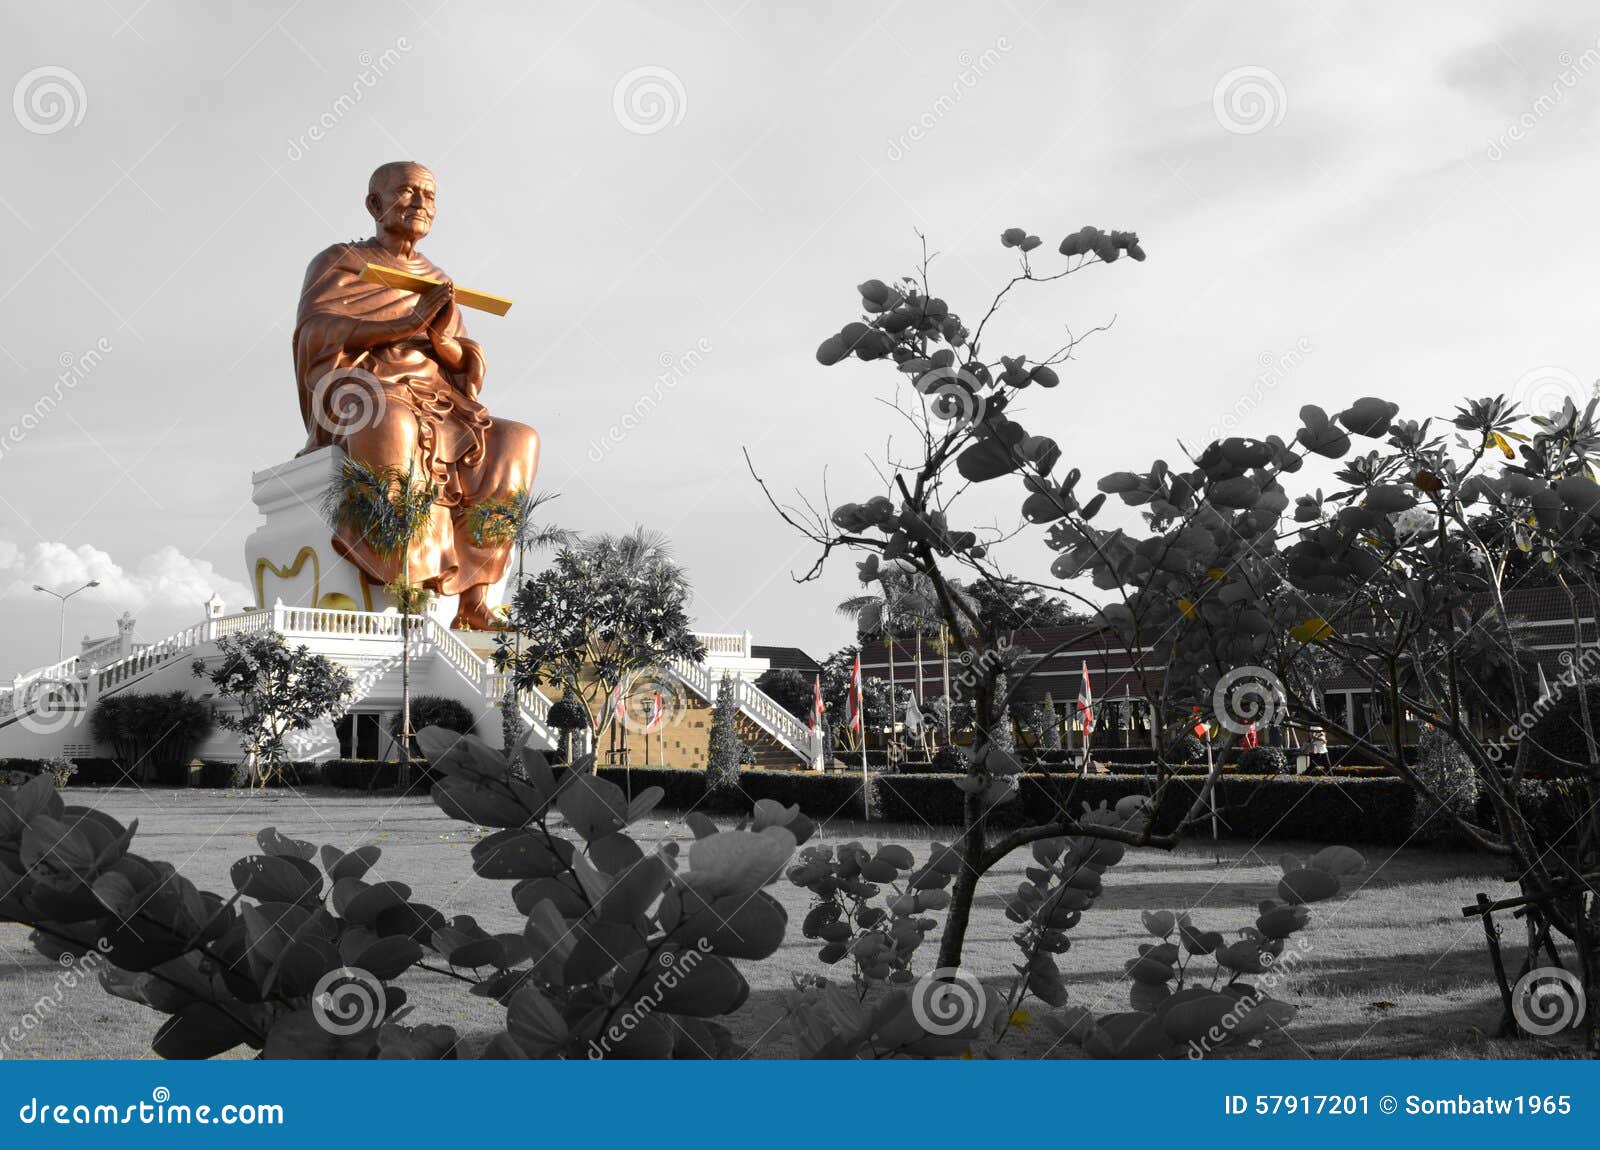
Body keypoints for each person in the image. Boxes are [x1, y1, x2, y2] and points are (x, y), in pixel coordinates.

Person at [292, 161, 541, 629]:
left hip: (437, 396)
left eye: (429, 195)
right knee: (391, 422)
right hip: (368, 388)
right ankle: (407, 582)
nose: (420, 202)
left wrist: (443, 339)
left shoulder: (435, 276)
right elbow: (316, 333)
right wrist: (401, 325)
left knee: (519, 439)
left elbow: (465, 359)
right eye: (406, 192)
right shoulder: (342, 261)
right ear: (374, 204)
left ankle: (475, 596)